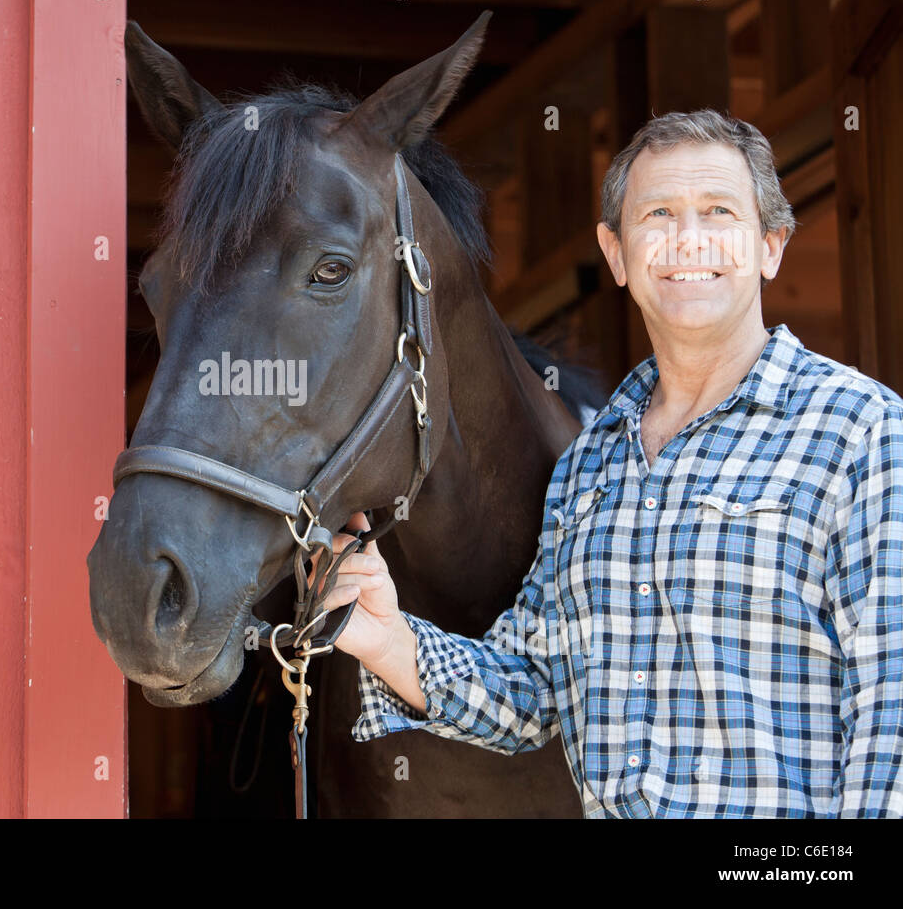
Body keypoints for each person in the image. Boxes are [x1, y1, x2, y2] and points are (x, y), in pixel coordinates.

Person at [320, 109, 903, 818]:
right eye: (657, 214)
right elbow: (531, 692)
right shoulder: (590, 465)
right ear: (618, 252)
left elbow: (891, 710)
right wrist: (387, 636)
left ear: (771, 245)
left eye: (718, 211)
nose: (688, 239)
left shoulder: (860, 431)